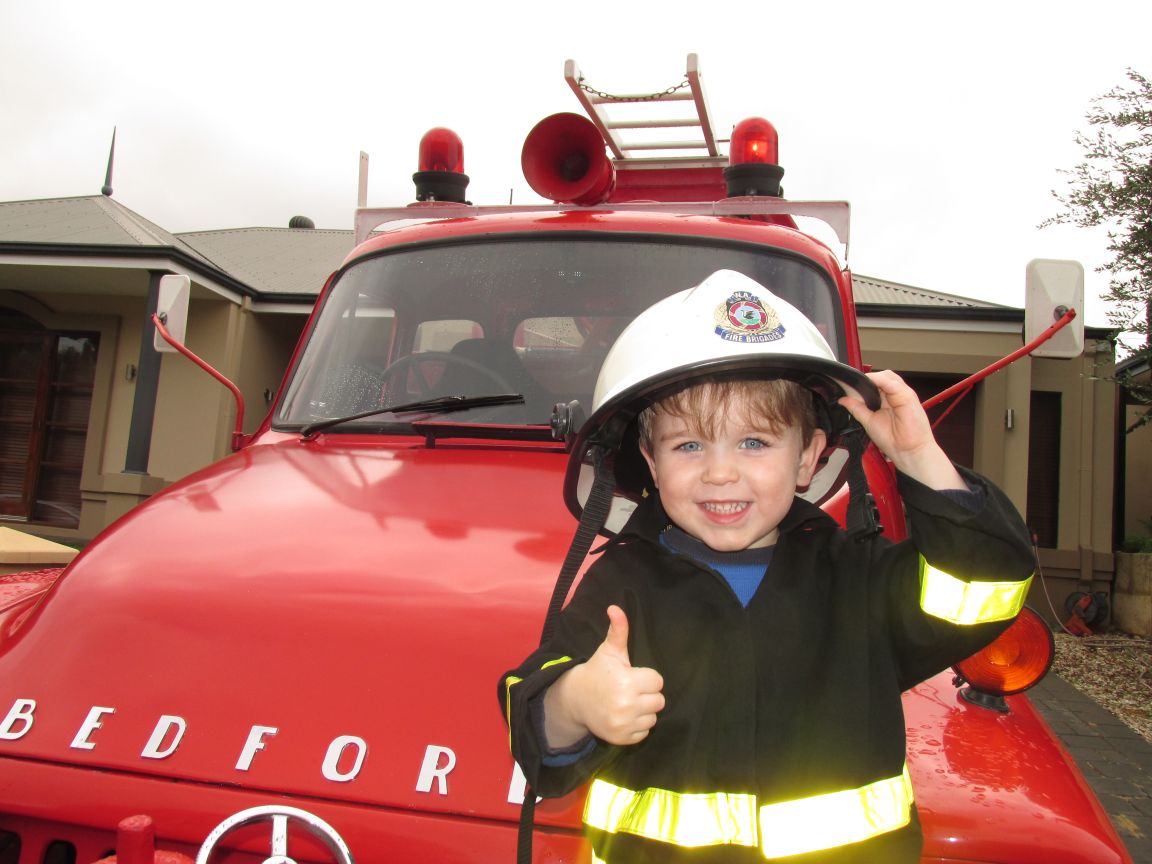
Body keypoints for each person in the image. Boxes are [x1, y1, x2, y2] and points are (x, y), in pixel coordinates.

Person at [499, 269, 1035, 863]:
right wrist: (574, 703)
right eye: (688, 445)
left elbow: (990, 585)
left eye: (754, 443)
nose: (720, 473)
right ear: (649, 463)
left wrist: (917, 456)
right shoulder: (622, 586)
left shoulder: (857, 578)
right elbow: (532, 725)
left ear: (808, 458)